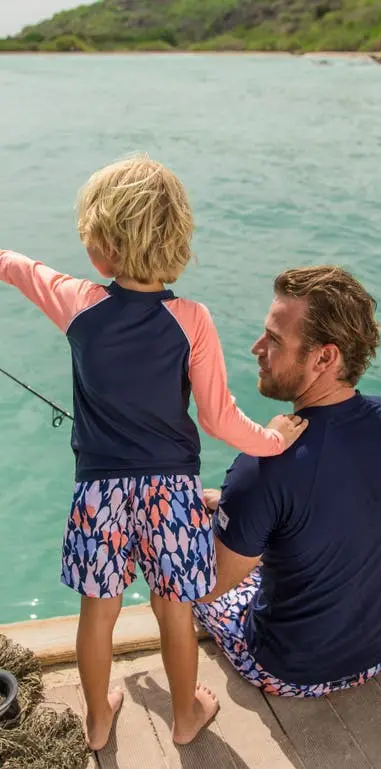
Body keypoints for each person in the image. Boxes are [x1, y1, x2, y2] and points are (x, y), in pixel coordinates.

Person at [0, 155, 308, 749]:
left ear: (103, 247)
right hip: (172, 492)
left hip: (99, 491)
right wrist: (274, 440)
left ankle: (96, 719)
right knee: (175, 607)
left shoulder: (78, 301)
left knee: (99, 610)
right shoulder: (191, 320)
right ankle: (187, 713)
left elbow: (19, 267)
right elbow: (219, 418)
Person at [195, 265, 381, 697]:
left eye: (275, 340)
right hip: (377, 652)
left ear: (324, 358)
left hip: (289, 670)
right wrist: (236, 503)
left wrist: (180, 520)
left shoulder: (264, 463)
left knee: (180, 570)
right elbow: (334, 510)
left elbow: (207, 585)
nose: (255, 348)